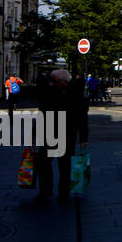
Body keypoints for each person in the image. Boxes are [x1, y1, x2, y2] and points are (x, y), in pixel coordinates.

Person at [33, 68, 88, 203]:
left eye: (56, 81)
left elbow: (82, 116)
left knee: (65, 163)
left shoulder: (75, 93)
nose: (54, 84)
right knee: (44, 162)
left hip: (67, 132)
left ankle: (63, 192)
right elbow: (42, 112)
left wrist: (83, 137)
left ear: (64, 81)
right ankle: (46, 190)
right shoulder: (49, 91)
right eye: (53, 81)